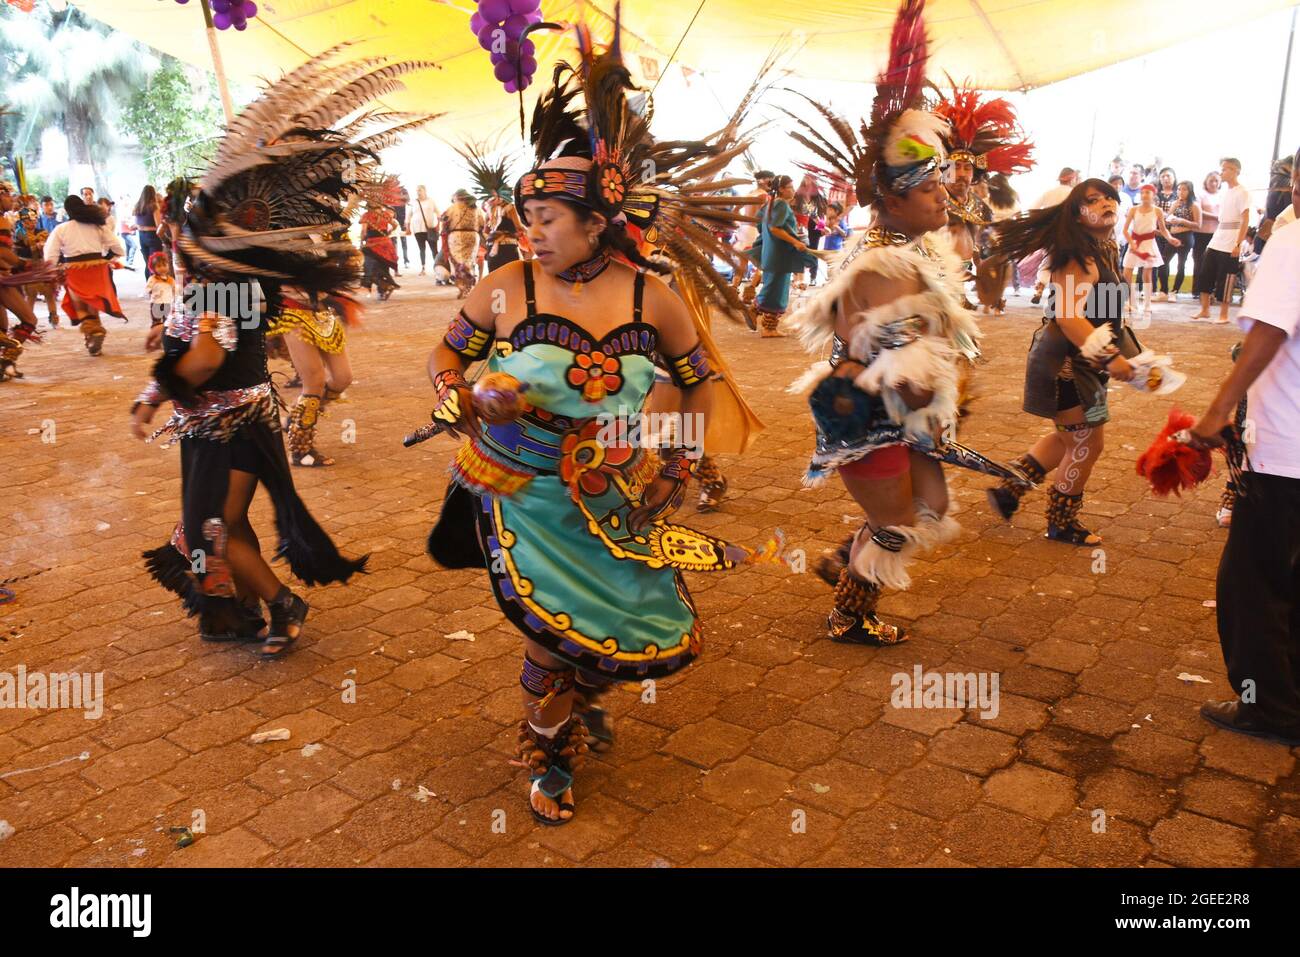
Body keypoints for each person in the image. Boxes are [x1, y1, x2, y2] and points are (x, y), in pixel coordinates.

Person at [424, 22, 754, 825]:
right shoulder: (507, 286)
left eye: (547, 217)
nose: (529, 231)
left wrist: (672, 467)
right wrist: (465, 401)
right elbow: (442, 358)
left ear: (599, 222)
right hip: (524, 489)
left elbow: (699, 378)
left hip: (616, 492)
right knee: (549, 633)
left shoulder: (652, 296)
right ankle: (549, 750)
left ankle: (580, 696)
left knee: (617, 624)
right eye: (525, 215)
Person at [128, 53, 414, 653]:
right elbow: (202, 338)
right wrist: (168, 335)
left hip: (226, 424)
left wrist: (152, 392)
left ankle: (284, 603)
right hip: (234, 421)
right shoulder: (233, 279)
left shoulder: (222, 282)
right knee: (222, 524)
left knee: (212, 527)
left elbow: (207, 359)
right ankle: (241, 607)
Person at [787, 0, 986, 646]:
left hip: (906, 418)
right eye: (930, 189)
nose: (943, 199)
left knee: (932, 508)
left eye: (943, 187)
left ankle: (845, 559)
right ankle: (849, 610)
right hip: (870, 421)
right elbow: (874, 349)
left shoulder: (915, 251)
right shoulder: (877, 261)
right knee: (900, 522)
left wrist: (942, 392)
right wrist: (930, 389)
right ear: (894, 198)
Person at [1185, 150, 1300, 745]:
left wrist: (1218, 408)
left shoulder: (1292, 241)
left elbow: (1271, 332)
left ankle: (1269, 707)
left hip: (1288, 451)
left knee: (1251, 583)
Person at [986, 179, 1140, 545]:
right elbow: (1068, 316)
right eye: (1092, 200)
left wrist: (1134, 358)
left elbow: (1105, 313)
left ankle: (1011, 489)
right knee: (1086, 442)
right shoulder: (1078, 255)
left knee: (1069, 436)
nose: (1104, 203)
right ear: (1078, 214)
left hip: (1083, 360)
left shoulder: (1104, 248)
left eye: (1108, 197)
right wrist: (1110, 357)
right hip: (1066, 362)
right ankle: (1061, 522)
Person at [931, 81, 1035, 311]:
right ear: (944, 168)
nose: (961, 174)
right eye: (956, 167)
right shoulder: (929, 200)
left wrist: (986, 275)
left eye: (967, 169)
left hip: (957, 281)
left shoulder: (978, 206)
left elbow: (975, 244)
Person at [43, 195, 125, 355]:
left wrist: (54, 270)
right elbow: (118, 248)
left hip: (74, 271)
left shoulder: (61, 229)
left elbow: (50, 255)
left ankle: (94, 334)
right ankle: (94, 340)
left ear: (67, 211)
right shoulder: (97, 226)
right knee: (93, 305)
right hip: (98, 269)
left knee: (79, 306)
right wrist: (105, 259)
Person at [749, 174, 817, 336]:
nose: (793, 190)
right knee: (775, 289)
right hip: (779, 253)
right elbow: (774, 228)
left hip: (772, 251)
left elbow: (759, 225)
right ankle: (758, 315)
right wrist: (795, 242)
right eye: (790, 187)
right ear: (781, 189)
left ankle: (768, 326)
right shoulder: (781, 205)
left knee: (775, 288)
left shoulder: (769, 204)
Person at [1191, 158, 1250, 324]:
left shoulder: (1242, 192)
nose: (1222, 172)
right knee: (1205, 272)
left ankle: (1223, 315)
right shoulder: (1225, 193)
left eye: (1225, 169)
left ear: (1234, 171)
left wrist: (1238, 243)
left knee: (1226, 278)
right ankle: (1204, 309)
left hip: (1232, 238)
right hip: (1217, 237)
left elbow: (1245, 219)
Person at [1121, 183, 1179, 319]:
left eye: (1148, 192)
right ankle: (1130, 302)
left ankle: (1147, 305)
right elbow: (1125, 230)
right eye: (1143, 192)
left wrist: (1170, 239)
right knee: (1127, 272)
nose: (1145, 195)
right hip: (1134, 244)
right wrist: (1132, 244)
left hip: (1149, 244)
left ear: (1153, 195)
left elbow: (1163, 229)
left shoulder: (1157, 210)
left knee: (1147, 275)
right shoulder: (1133, 210)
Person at [1027, 167, 1079, 304]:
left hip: (1051, 234)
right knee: (1066, 266)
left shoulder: (1049, 193)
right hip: (1071, 235)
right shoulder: (1075, 194)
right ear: (1072, 179)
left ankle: (1040, 289)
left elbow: (1033, 208)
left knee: (1047, 263)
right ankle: (1057, 293)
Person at [1165, 180, 1202, 301]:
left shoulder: (1194, 205)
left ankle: (1174, 291)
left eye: (1184, 189)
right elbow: (1167, 219)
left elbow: (1198, 224)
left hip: (1186, 235)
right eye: (1179, 189)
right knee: (1164, 261)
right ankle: (1163, 290)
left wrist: (1182, 221)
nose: (1181, 192)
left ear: (1190, 191)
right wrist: (1170, 217)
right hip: (1172, 234)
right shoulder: (1175, 203)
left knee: (1181, 264)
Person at [444, 189, 484, 297]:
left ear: (457, 197)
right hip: (473, 236)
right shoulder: (477, 209)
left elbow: (444, 220)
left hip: (456, 237)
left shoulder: (453, 207)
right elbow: (482, 223)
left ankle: (460, 286)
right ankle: (467, 287)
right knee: (469, 262)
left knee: (457, 262)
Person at [359, 200, 399, 300]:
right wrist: (388, 232)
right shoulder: (385, 214)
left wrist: (361, 242)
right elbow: (395, 224)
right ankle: (383, 291)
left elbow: (364, 232)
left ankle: (385, 287)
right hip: (386, 243)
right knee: (383, 267)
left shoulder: (366, 215)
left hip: (373, 243)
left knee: (370, 268)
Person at [1151, 167, 1178, 300]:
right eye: (1163, 176)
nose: (1165, 179)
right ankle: (1153, 290)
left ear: (1174, 177)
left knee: (1165, 261)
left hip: (1172, 232)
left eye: (1168, 176)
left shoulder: (1178, 194)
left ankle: (1166, 290)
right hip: (1155, 231)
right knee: (1154, 261)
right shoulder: (1155, 194)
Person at [410, 185, 439, 274]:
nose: (418, 192)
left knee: (434, 249)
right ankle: (423, 268)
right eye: (417, 190)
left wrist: (439, 225)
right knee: (421, 249)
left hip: (430, 229)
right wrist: (407, 227)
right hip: (418, 229)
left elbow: (438, 213)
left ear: (425, 191)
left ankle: (437, 268)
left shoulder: (431, 201)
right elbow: (408, 215)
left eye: (420, 190)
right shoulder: (414, 202)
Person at [144, 250, 176, 327]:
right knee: (156, 321)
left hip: (167, 303)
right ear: (153, 268)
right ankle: (156, 331)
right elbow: (147, 289)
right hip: (156, 303)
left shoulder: (171, 279)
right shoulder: (153, 279)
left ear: (168, 265)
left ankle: (164, 335)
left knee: (168, 320)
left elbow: (175, 290)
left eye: (164, 265)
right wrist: (152, 291)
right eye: (159, 266)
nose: (162, 268)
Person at [133, 185, 163, 265]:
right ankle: (155, 278)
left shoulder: (137, 206)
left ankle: (148, 278)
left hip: (141, 236)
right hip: (153, 236)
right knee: (155, 263)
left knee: (148, 264)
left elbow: (136, 224)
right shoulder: (154, 206)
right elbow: (158, 225)